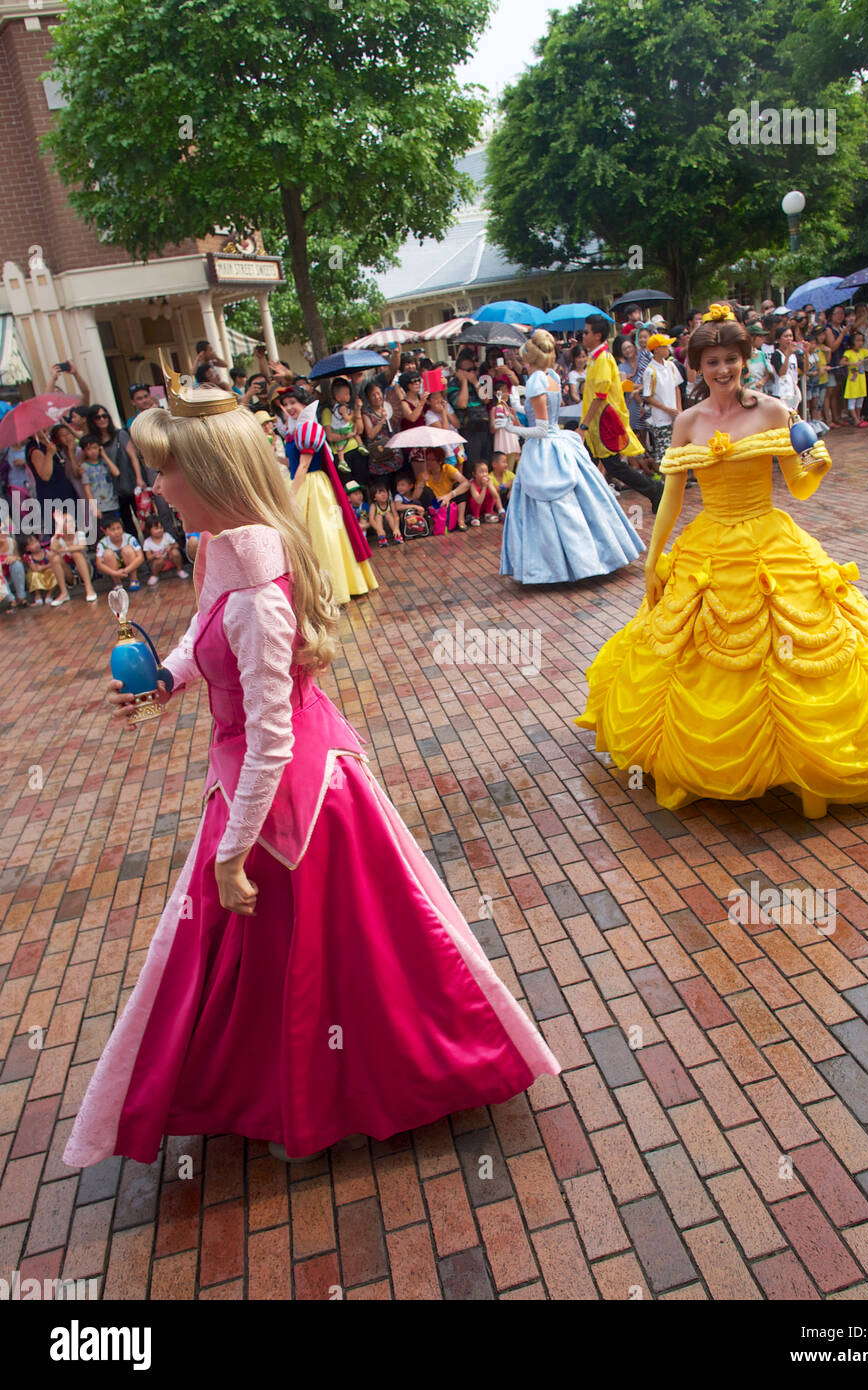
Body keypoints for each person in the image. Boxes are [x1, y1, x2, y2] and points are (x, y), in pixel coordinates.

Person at [61, 379, 561, 1170]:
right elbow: (201, 628)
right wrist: (167, 676)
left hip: (291, 796)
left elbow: (271, 740)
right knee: (300, 952)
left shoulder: (259, 590)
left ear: (210, 475)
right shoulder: (224, 545)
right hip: (273, 785)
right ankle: (286, 1090)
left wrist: (231, 851)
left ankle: (351, 1086)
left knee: (323, 951)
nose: (152, 488)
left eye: (164, 472)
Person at [575, 304, 868, 819]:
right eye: (711, 361)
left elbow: (798, 487)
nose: (722, 369)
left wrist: (816, 462)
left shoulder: (774, 412)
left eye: (731, 358)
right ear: (697, 366)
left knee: (803, 645)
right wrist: (653, 557)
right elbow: (672, 495)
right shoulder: (687, 422)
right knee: (691, 649)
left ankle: (814, 764)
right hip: (710, 544)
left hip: (770, 537)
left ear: (744, 360)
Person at [499, 329, 644, 585]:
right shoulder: (551, 376)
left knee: (551, 510)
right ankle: (591, 558)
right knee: (583, 503)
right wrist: (518, 412)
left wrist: (511, 428)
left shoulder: (534, 381)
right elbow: (545, 414)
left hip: (543, 449)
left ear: (528, 359)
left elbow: (541, 429)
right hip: (560, 443)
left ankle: (558, 567)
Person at [286, 414, 378, 605]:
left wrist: (290, 496)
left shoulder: (308, 429)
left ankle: (331, 589)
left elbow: (304, 465)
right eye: (285, 404)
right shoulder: (295, 430)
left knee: (322, 535)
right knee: (316, 535)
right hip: (303, 483)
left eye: (293, 402)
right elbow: (295, 464)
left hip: (312, 488)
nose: (289, 407)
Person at [580, 315, 662, 508]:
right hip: (598, 423)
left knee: (612, 465)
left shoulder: (602, 359)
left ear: (597, 335)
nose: (583, 336)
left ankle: (653, 489)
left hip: (604, 423)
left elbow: (600, 395)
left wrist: (584, 425)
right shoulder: (596, 358)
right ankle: (652, 490)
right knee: (608, 464)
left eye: (586, 332)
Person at [86, 404, 144, 536]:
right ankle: (136, 547)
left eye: (104, 416)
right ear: (92, 420)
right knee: (126, 521)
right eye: (98, 417)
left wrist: (139, 478)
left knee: (142, 517)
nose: (102, 419)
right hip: (113, 489)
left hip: (130, 481)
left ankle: (147, 548)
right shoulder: (94, 442)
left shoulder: (120, 434)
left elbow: (133, 456)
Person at [641, 333, 683, 460]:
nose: (667, 349)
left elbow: (676, 387)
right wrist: (666, 409)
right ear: (657, 349)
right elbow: (647, 397)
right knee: (664, 453)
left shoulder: (670, 365)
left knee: (677, 449)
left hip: (675, 414)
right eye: (664, 346)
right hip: (661, 417)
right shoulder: (650, 371)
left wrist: (679, 409)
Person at [49, 508, 98, 602]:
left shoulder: (79, 534)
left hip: (85, 569)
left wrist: (64, 549)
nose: (71, 523)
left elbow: (81, 546)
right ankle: (64, 593)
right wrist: (58, 529)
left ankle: (89, 588)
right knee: (55, 558)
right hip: (69, 574)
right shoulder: (58, 538)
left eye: (72, 521)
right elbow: (53, 548)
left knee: (76, 554)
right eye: (66, 522)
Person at [78, 433, 120, 523]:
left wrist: (104, 455)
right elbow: (87, 490)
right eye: (89, 449)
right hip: (99, 506)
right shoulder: (84, 467)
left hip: (112, 503)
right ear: (84, 451)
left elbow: (116, 472)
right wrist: (94, 508)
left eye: (95, 448)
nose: (93, 451)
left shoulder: (104, 463)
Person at [95, 517, 144, 590]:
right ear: (105, 531)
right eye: (113, 529)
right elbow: (99, 564)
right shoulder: (102, 544)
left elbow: (140, 557)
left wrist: (126, 570)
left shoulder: (129, 538)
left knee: (127, 550)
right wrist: (115, 573)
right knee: (107, 554)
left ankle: (134, 580)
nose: (116, 532)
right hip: (114, 569)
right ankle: (117, 583)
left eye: (118, 528)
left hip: (129, 566)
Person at [23, 535, 70, 607]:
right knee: (32, 574)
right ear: (27, 549)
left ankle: (50, 594)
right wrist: (48, 565)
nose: (35, 545)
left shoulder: (47, 551)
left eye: (36, 542)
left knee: (56, 572)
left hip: (49, 573)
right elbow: (35, 569)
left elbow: (53, 563)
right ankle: (37, 595)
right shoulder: (28, 557)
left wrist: (43, 567)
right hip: (40, 575)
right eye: (32, 544)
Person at [142, 516, 190, 584]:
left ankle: (180, 570)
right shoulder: (147, 542)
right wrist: (155, 556)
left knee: (175, 552)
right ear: (149, 530)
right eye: (156, 528)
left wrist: (171, 546)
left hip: (170, 559)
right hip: (159, 563)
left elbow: (177, 545)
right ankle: (155, 575)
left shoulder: (167, 536)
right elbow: (148, 557)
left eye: (161, 527)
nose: (160, 530)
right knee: (159, 561)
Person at [842, 330, 868, 427]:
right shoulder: (848, 353)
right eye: (857, 340)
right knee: (852, 401)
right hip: (852, 381)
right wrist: (852, 363)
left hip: (861, 380)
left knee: (860, 400)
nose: (860, 343)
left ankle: (858, 418)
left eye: (862, 341)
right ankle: (855, 419)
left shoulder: (863, 351)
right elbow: (842, 362)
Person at [466, 459, 504, 525]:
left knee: (491, 492)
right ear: (474, 474)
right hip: (474, 510)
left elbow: (496, 496)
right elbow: (478, 501)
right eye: (481, 472)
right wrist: (484, 487)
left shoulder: (489, 481)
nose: (484, 474)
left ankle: (488, 515)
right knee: (475, 498)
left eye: (486, 472)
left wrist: (489, 485)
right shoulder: (472, 483)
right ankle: (475, 517)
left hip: (484, 508)